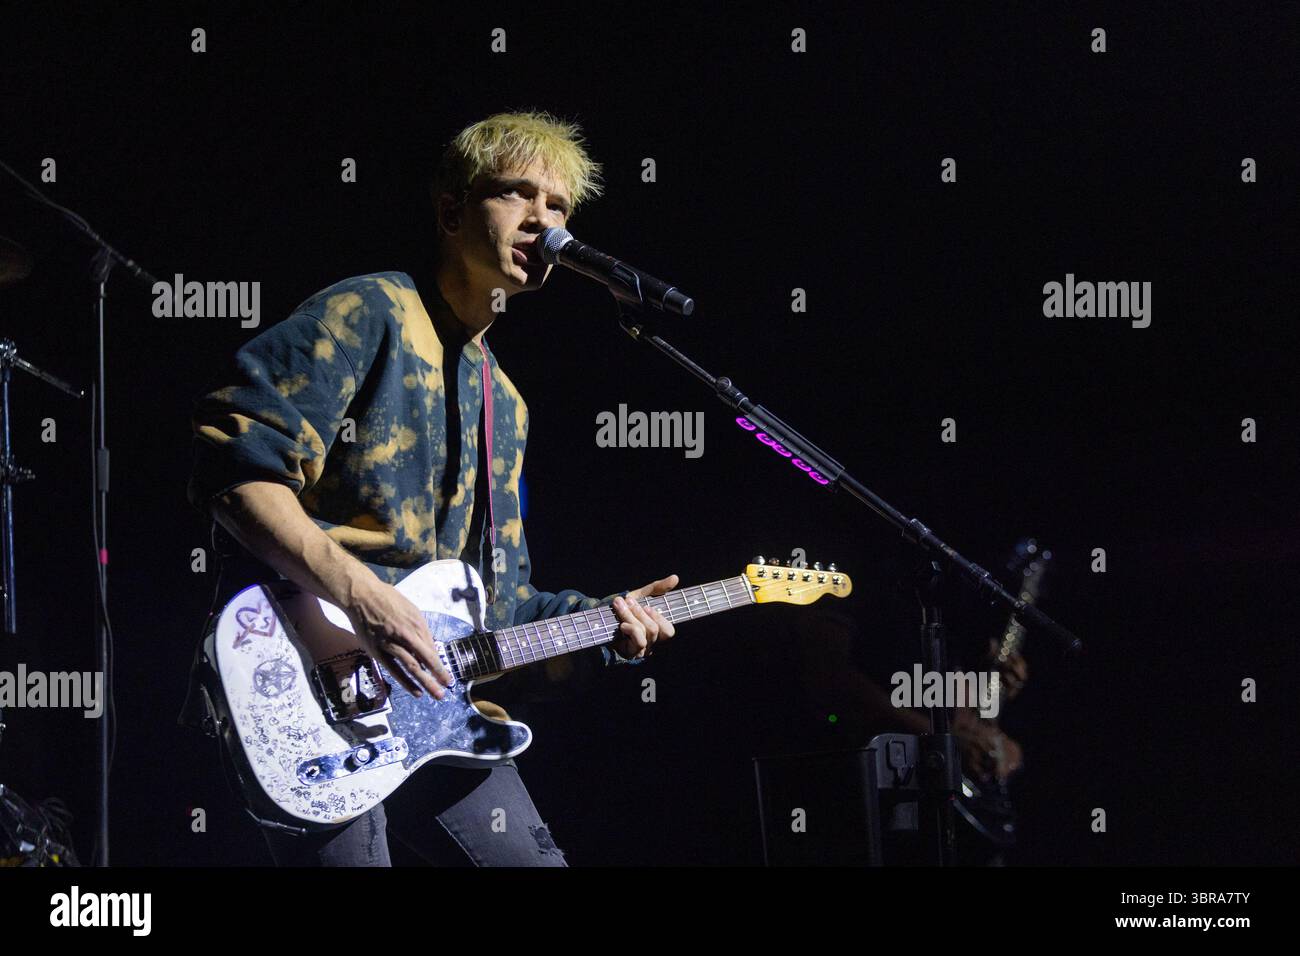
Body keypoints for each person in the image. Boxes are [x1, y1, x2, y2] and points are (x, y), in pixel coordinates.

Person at [184, 111, 679, 866]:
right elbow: (237, 469)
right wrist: (364, 597)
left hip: (439, 708)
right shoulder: (367, 312)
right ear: (452, 211)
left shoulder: (503, 403)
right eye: (518, 196)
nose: (542, 222)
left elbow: (501, 606)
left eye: (559, 208)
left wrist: (607, 627)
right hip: (311, 679)